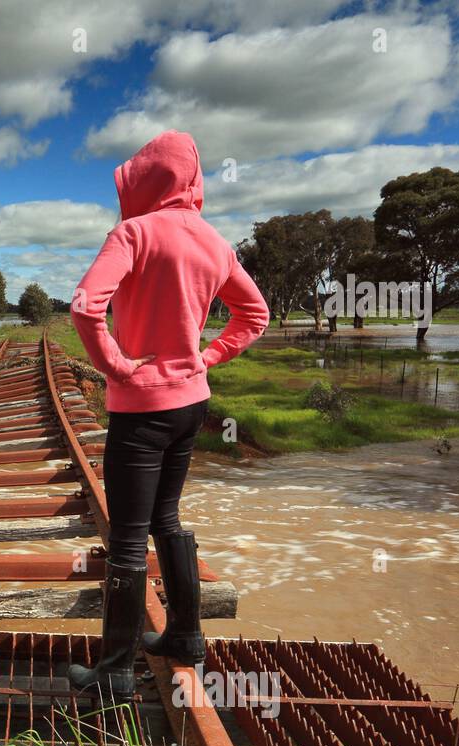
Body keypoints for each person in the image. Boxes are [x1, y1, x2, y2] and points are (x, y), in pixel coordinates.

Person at [67, 129, 269, 696]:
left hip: (140, 409)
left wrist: (116, 364)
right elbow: (255, 315)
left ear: (145, 179)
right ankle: (185, 633)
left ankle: (113, 674)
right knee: (168, 520)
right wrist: (207, 356)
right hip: (191, 405)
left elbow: (85, 306)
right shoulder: (213, 241)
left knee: (129, 540)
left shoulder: (132, 233)